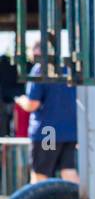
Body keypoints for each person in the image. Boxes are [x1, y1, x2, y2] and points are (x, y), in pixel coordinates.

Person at [14, 40, 79, 184]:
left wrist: (20, 100)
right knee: (68, 170)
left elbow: (33, 104)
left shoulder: (40, 69)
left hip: (48, 132)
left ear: (37, 51)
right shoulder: (66, 69)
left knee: (40, 174)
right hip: (69, 131)